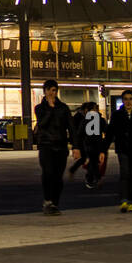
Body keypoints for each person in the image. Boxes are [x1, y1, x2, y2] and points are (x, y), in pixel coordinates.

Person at [33, 79, 75, 216]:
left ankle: (55, 203)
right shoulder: (39, 108)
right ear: (44, 92)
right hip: (46, 146)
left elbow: (71, 127)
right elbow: (42, 124)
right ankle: (48, 201)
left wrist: (76, 146)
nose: (52, 93)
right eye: (49, 90)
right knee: (48, 173)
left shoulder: (63, 108)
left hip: (61, 146)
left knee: (58, 176)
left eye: (54, 90)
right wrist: (50, 109)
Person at [78, 101, 110, 189]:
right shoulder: (99, 119)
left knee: (93, 163)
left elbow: (80, 134)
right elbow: (107, 132)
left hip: (91, 145)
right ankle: (95, 178)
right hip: (94, 145)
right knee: (94, 163)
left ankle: (92, 178)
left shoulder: (86, 120)